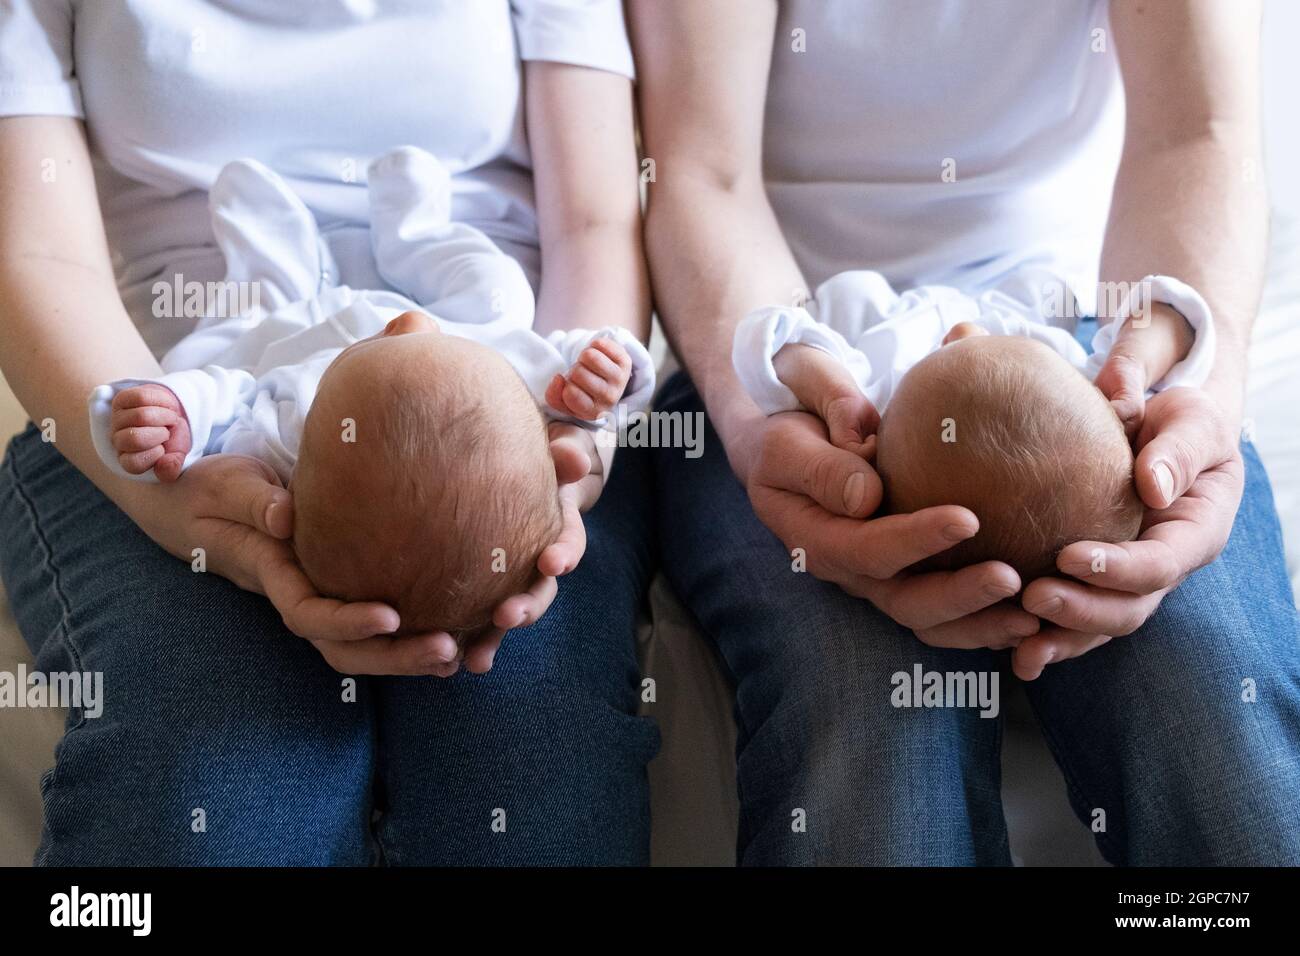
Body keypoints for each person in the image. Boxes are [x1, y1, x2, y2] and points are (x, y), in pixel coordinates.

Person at [631, 0, 1300, 864]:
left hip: (1084, 348)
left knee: (1207, 696)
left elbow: (1196, 130)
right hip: (785, 351)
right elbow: (699, 171)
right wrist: (766, 403)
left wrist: (1189, 374)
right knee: (860, 715)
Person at [0, 0, 657, 865]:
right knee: (210, 805)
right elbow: (39, 256)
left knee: (531, 794)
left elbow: (595, 222)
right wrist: (168, 492)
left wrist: (564, 445)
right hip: (186, 403)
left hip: (501, 390)